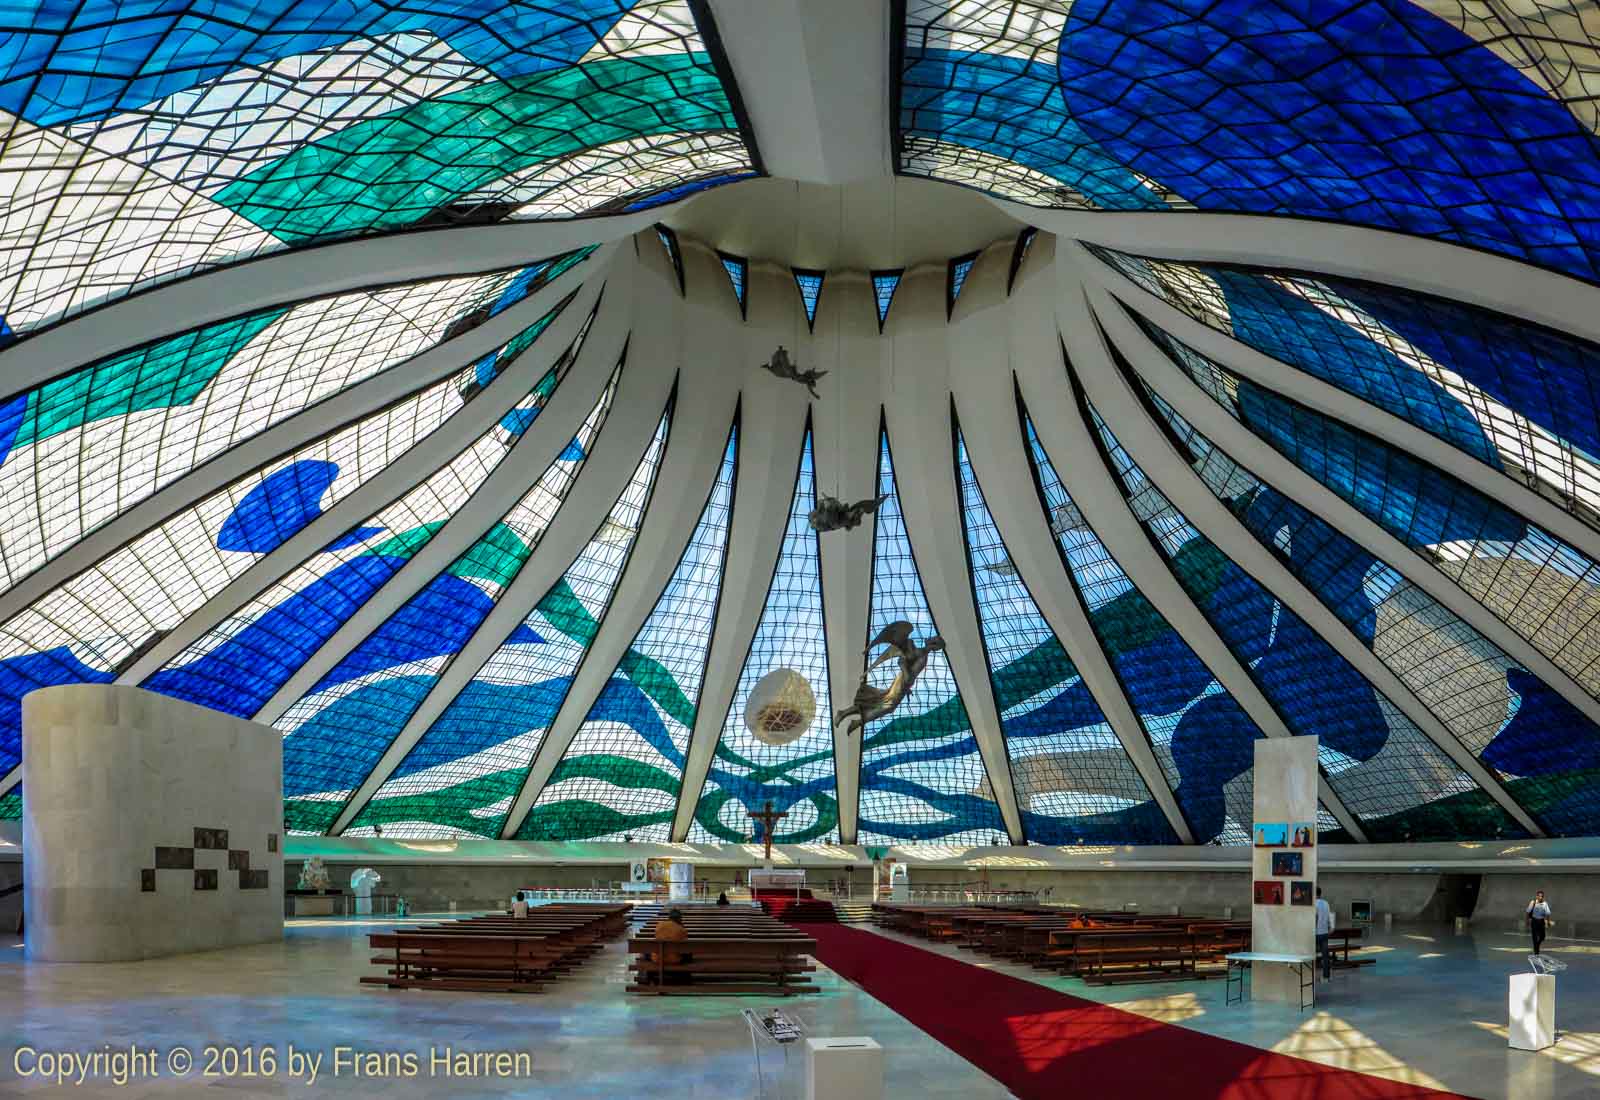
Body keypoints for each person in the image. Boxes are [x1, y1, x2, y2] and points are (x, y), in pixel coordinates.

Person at [1314, 887, 1334, 981]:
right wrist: (1330, 927)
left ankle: (1310, 975)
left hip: (1316, 933)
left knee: (1311, 954)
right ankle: (1326, 976)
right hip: (1325, 932)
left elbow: (1315, 917)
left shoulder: (1313, 903)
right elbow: (1329, 916)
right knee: (1325, 956)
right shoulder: (1326, 903)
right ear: (1320, 893)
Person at [1527, 891, 1554, 955]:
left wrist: (1548, 922)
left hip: (1541, 921)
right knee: (1534, 937)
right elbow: (1528, 912)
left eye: (1542, 896)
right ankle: (1536, 951)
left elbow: (1548, 914)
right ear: (1536, 896)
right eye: (1539, 896)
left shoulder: (1545, 904)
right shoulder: (1533, 902)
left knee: (1543, 936)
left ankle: (1537, 946)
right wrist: (1527, 921)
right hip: (1534, 921)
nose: (1540, 897)